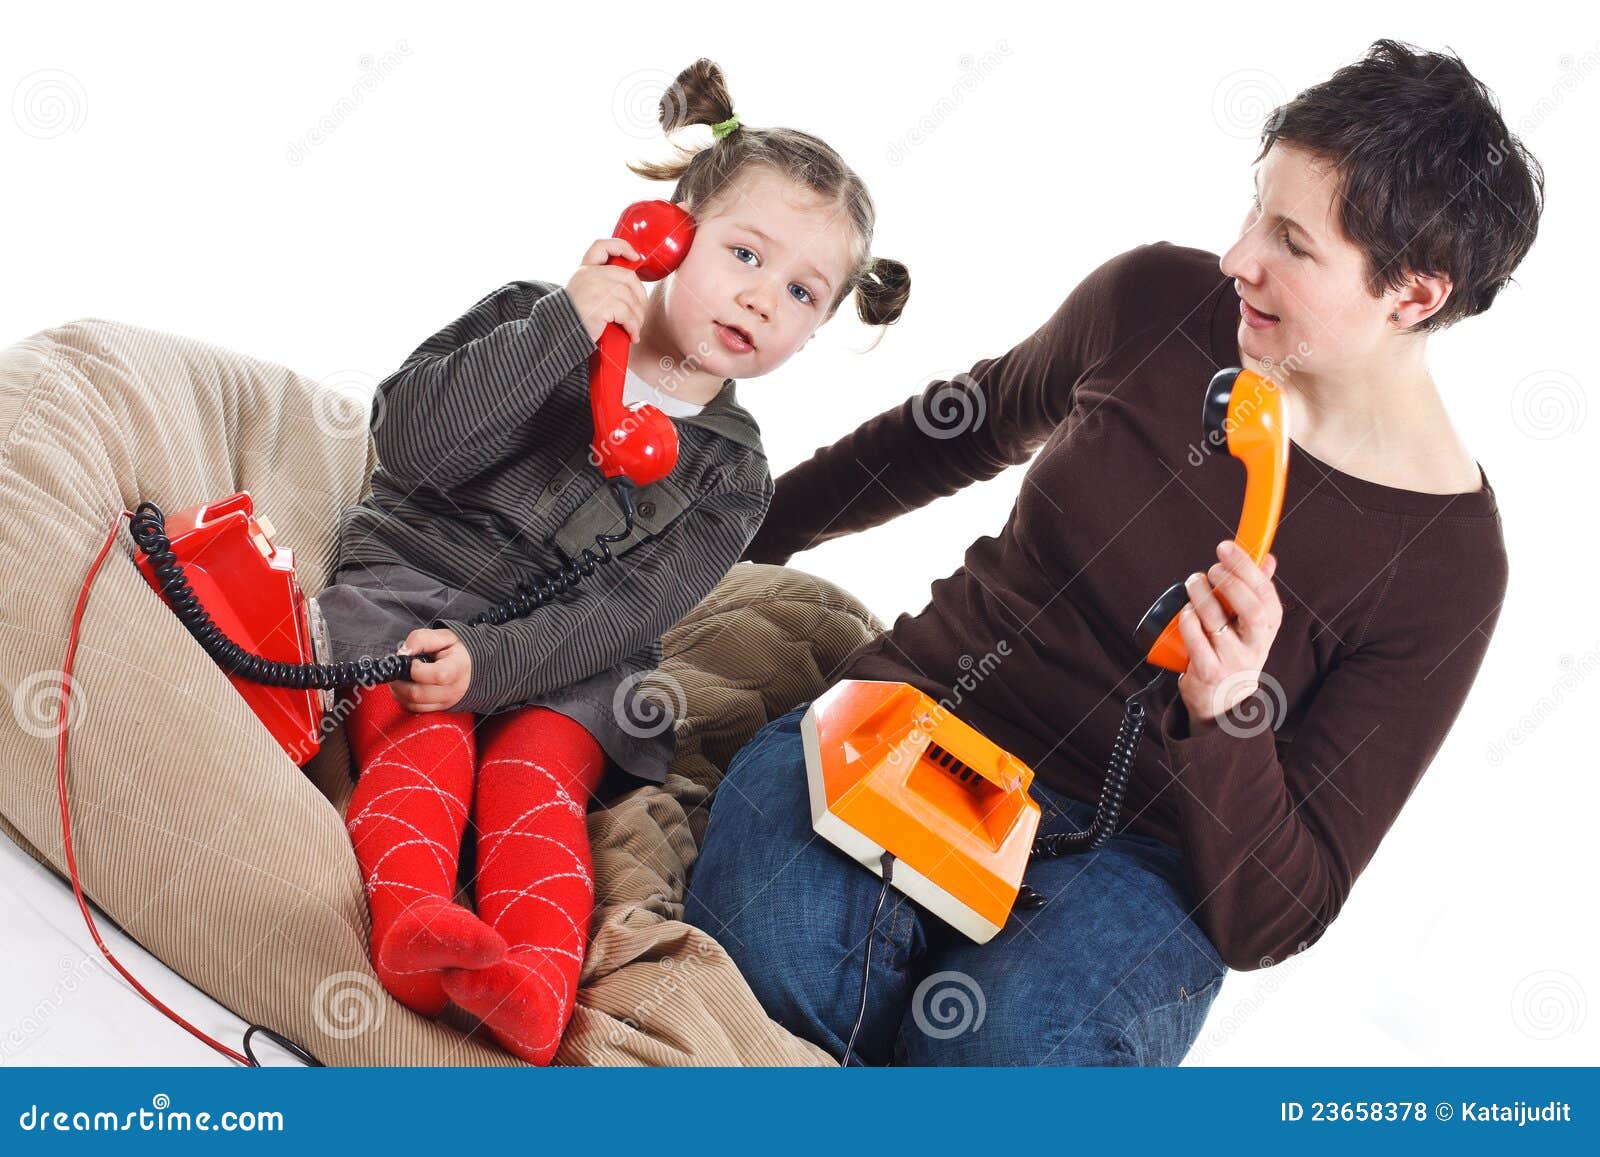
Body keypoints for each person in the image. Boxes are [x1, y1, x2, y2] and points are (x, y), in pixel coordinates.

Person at [683, 40, 1543, 1066]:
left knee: (1007, 1055)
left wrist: (1227, 716)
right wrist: (704, 546)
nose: (1237, 259)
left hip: (1139, 854)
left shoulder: (1448, 566)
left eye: (1290, 244)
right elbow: (948, 431)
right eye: (1252, 211)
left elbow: (1279, 913)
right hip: (931, 714)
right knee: (776, 959)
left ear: (1412, 295)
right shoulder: (1156, 303)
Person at [310, 58, 910, 1064]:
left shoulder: (733, 477)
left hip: (568, 655)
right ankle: (414, 919)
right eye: (745, 254)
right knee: (429, 734)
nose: (763, 298)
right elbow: (413, 441)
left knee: (537, 778)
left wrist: (494, 664)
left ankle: (532, 986)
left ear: (818, 327)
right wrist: (567, 329)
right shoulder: (534, 313)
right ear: (669, 231)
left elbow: (622, 611)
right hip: (420, 577)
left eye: (802, 289)